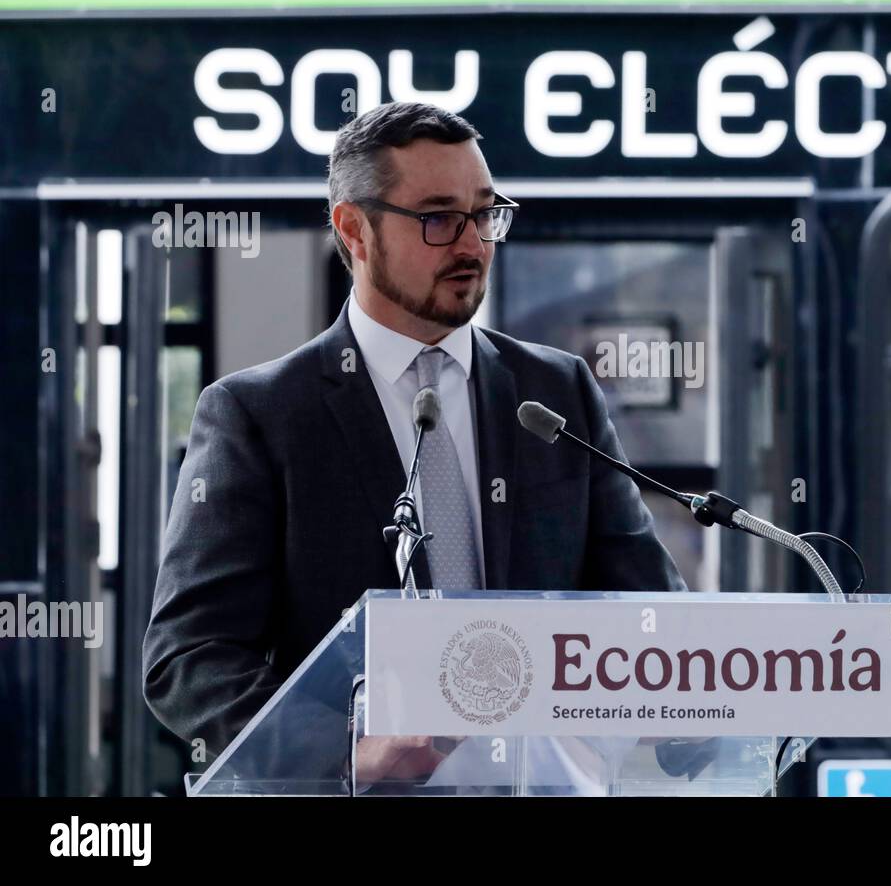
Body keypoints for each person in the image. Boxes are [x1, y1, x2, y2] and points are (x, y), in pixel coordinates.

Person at [143, 101, 685, 766]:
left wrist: (693, 715)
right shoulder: (262, 415)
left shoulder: (556, 392)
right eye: (438, 219)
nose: (471, 244)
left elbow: (648, 611)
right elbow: (191, 658)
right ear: (355, 230)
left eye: (485, 214)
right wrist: (350, 752)